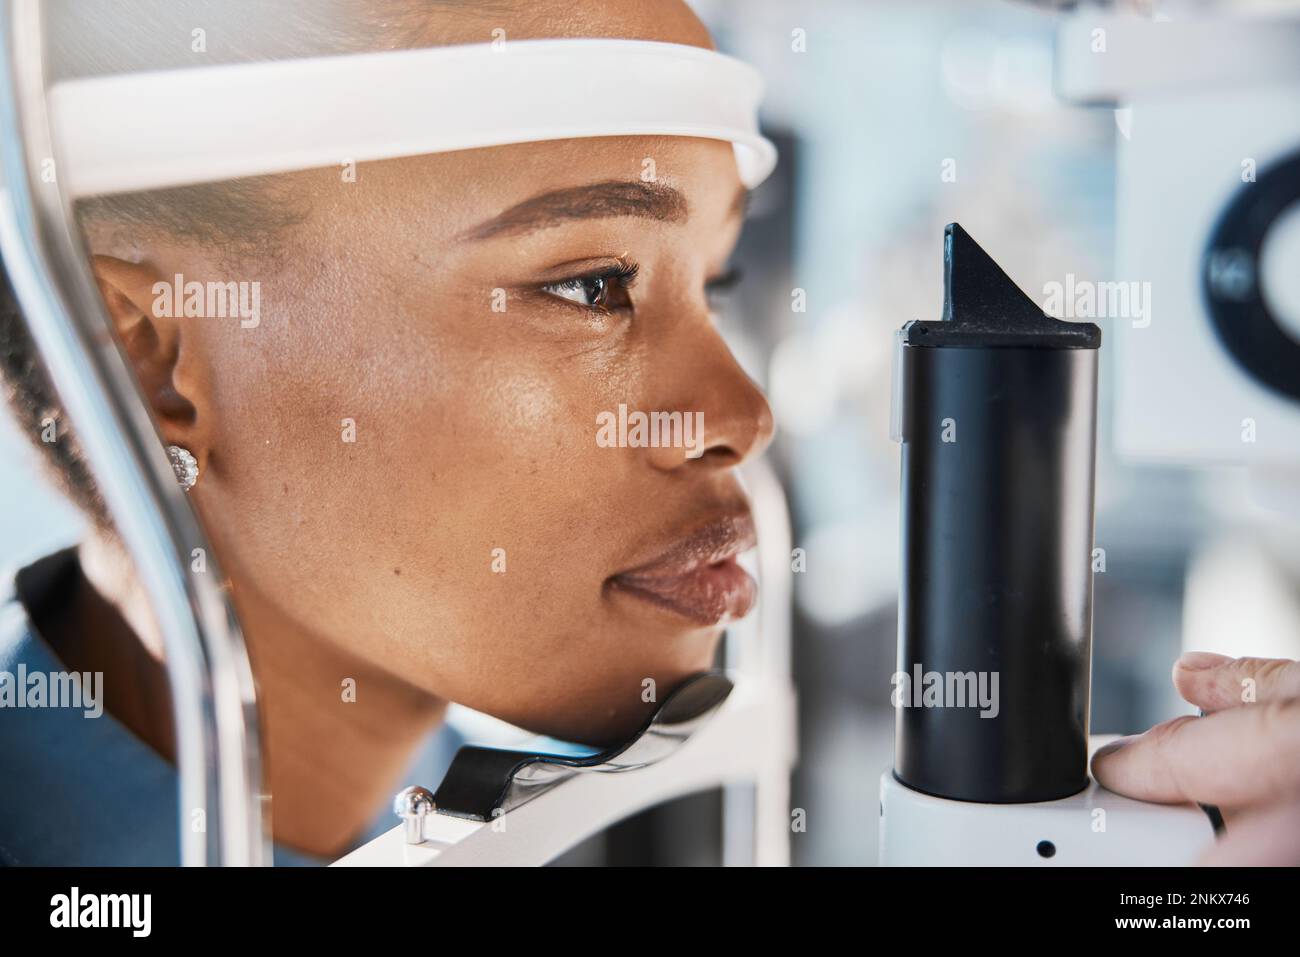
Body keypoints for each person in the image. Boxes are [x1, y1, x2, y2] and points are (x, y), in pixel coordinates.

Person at [0, 0, 772, 863]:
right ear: (151, 362)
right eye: (594, 286)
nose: (743, 417)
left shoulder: (530, 822)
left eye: (716, 278)